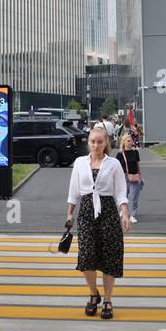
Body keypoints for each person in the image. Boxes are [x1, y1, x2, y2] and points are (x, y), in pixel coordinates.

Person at [66, 125, 130, 320]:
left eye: (100, 142)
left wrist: (124, 213)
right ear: (88, 142)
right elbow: (73, 190)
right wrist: (69, 214)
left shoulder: (114, 164)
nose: (96, 145)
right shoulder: (79, 163)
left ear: (106, 143)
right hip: (86, 212)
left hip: (108, 212)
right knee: (86, 256)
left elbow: (120, 192)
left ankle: (108, 300)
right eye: (93, 141)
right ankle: (94, 293)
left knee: (109, 256)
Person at [117, 132, 142, 224]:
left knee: (134, 197)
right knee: (124, 196)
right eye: (128, 141)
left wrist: (140, 176)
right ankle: (123, 210)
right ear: (123, 142)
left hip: (135, 176)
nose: (130, 142)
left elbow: (138, 164)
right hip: (123, 178)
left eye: (131, 141)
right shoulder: (120, 154)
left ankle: (132, 215)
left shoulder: (135, 152)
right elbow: (117, 167)